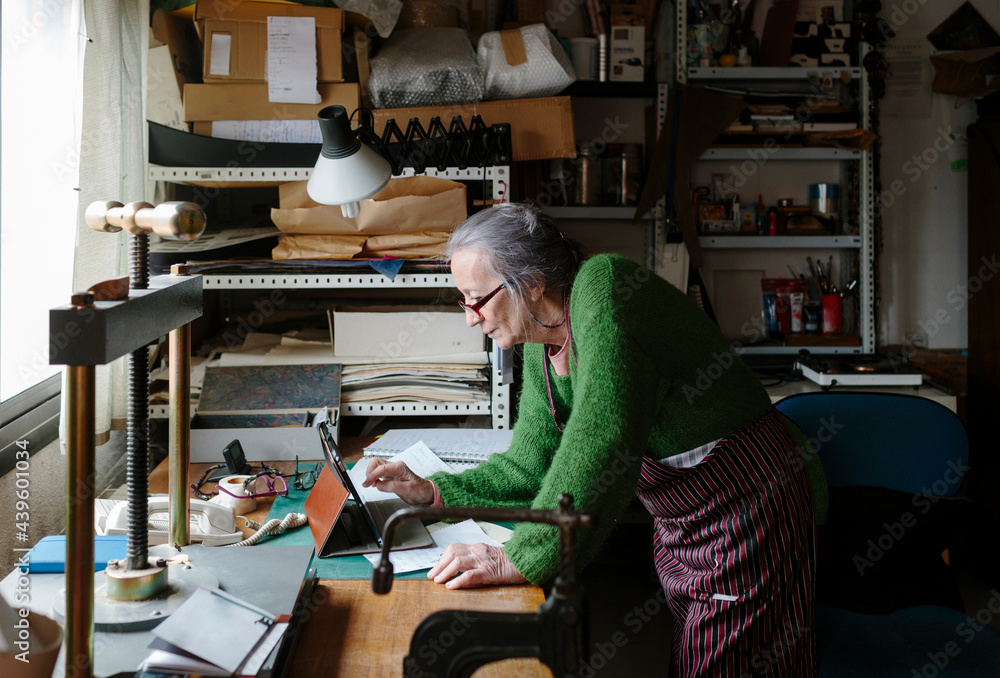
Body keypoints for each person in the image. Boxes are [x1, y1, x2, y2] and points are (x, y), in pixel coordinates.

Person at [364, 202, 827, 676]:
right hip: (687, 520)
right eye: (463, 300)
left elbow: (604, 439)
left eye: (476, 298)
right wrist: (435, 490)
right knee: (697, 657)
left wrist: (520, 558)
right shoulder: (541, 337)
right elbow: (530, 464)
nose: (470, 317)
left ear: (532, 283)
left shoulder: (605, 290)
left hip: (750, 504)